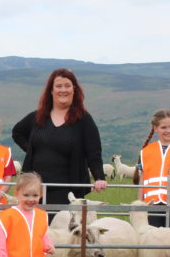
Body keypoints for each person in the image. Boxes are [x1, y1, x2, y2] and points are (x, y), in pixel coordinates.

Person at [12, 68, 106, 207]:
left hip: (67, 191)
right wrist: (32, 150)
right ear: (51, 90)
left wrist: (99, 177)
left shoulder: (84, 120)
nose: (63, 90)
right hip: (34, 191)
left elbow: (94, 152)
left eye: (67, 86)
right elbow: (17, 132)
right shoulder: (37, 117)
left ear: (74, 89)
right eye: (59, 86)